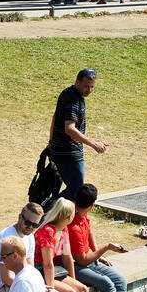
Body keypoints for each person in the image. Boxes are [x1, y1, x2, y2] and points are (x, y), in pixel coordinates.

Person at [35, 198, 97, 292]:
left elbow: (67, 257)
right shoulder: (48, 231)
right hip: (40, 270)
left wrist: (74, 281)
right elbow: (47, 264)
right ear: (68, 216)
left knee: (81, 289)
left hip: (55, 271)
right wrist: (50, 289)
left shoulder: (63, 229)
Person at [48, 67, 105, 201]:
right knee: (76, 190)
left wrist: (51, 142)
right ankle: (46, 213)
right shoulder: (72, 99)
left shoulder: (71, 94)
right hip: (68, 152)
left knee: (75, 189)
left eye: (92, 87)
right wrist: (93, 144)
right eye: (87, 86)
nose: (89, 90)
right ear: (77, 82)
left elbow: (55, 117)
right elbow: (70, 128)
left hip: (62, 150)